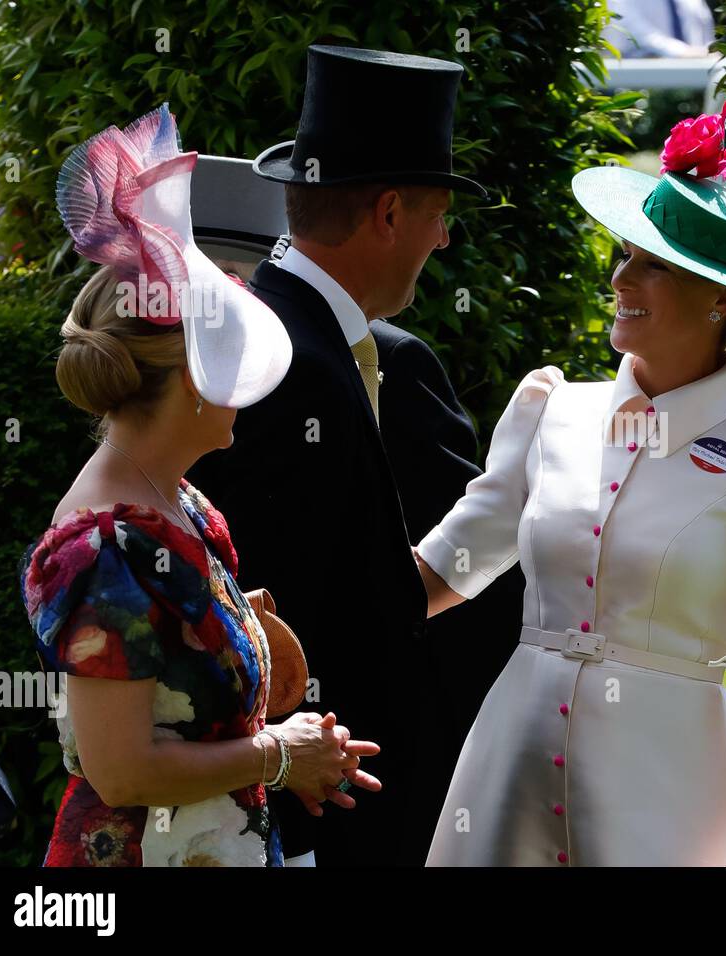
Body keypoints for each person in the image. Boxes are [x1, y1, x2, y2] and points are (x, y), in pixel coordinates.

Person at [415, 90, 726, 865]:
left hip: (670, 802)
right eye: (625, 256)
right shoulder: (550, 407)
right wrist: (289, 633)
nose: (621, 279)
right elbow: (449, 564)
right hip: (504, 780)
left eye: (654, 266)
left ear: (722, 298)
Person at [19, 104, 380, 866]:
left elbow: (170, 697)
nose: (248, 392)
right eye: (228, 361)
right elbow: (123, 770)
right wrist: (279, 754)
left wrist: (234, 639)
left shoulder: (177, 501)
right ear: (191, 380)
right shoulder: (104, 545)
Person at [185, 45, 504, 866]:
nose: (443, 239)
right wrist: (512, 508)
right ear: (390, 212)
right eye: (440, 213)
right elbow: (312, 617)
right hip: (321, 807)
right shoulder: (295, 365)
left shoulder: (293, 334)